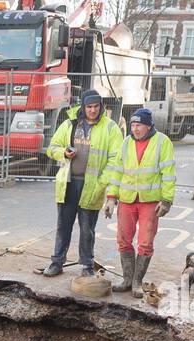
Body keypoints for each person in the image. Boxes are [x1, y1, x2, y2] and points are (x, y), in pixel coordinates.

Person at [41, 89, 123, 277]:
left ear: (101, 107)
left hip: (92, 186)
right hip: (69, 184)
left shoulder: (110, 128)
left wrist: (102, 183)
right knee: (63, 226)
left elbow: (115, 160)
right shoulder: (70, 124)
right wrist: (64, 153)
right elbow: (52, 148)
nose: (92, 110)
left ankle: (87, 265)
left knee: (87, 229)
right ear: (83, 107)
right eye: (89, 107)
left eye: (96, 107)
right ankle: (57, 262)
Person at [104, 108, 176, 297]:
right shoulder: (126, 142)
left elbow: (168, 174)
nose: (135, 129)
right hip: (127, 200)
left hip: (149, 202)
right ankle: (127, 280)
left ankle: (137, 281)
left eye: (139, 125)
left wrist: (166, 200)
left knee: (145, 242)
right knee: (123, 240)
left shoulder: (162, 142)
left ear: (149, 125)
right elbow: (117, 171)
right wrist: (111, 198)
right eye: (133, 125)